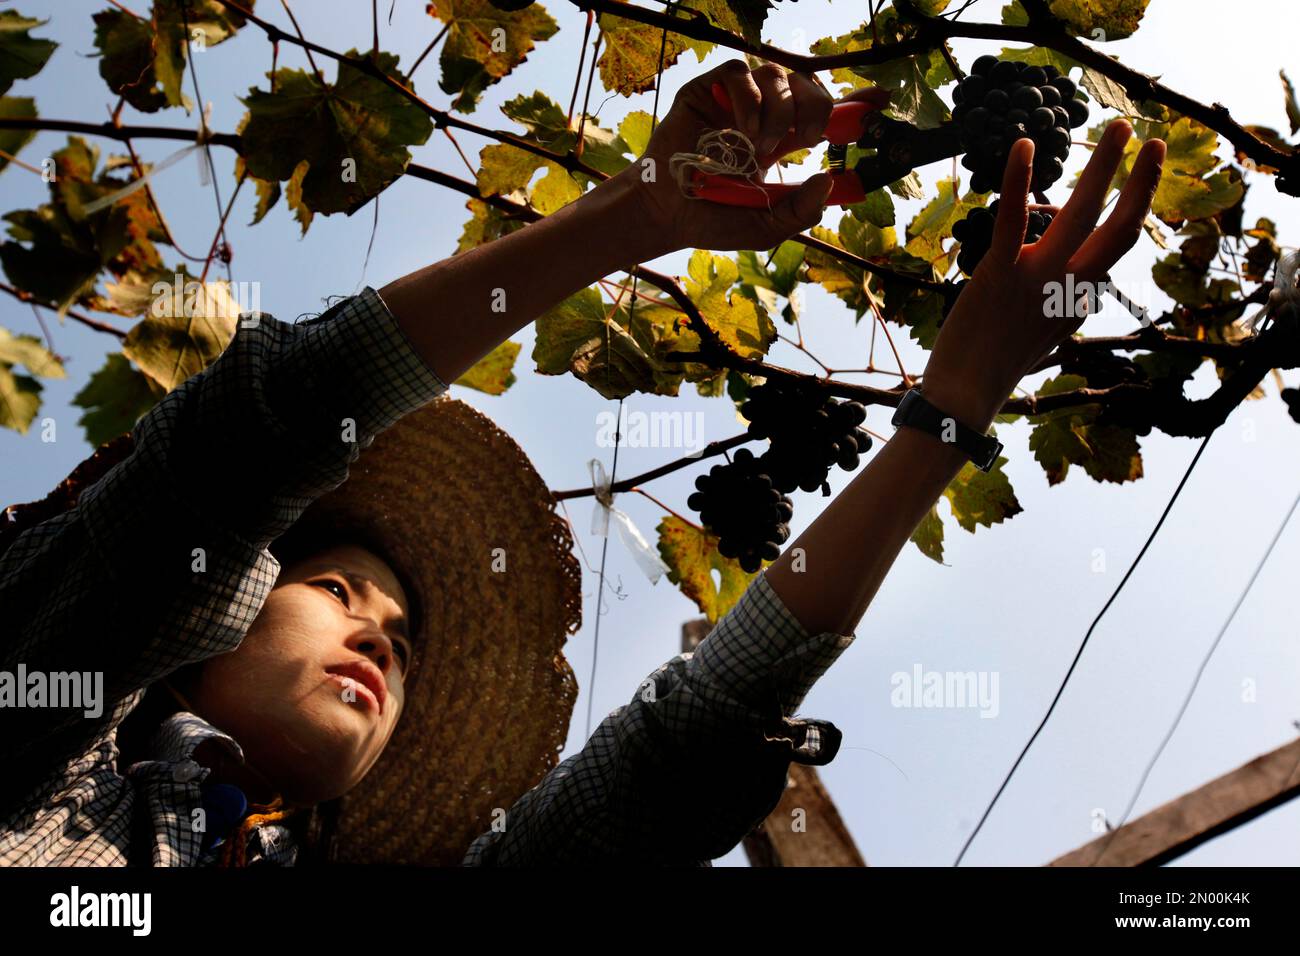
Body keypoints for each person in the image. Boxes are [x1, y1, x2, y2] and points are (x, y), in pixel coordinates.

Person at [0, 60, 1165, 866]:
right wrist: (631, 220)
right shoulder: (37, 705)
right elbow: (253, 443)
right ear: (222, 603)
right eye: (338, 590)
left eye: (401, 646)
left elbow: (677, 752)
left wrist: (950, 405)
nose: (378, 641)